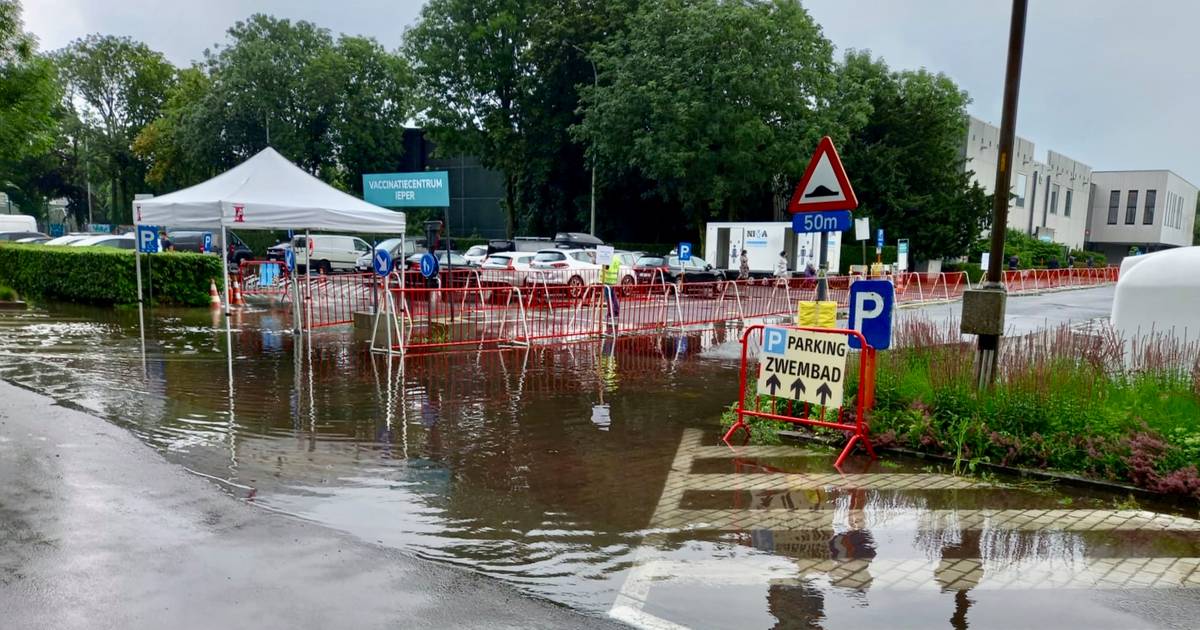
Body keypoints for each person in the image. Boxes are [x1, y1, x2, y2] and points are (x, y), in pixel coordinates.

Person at [602, 255, 621, 322]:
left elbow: (606, 268)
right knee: (613, 298)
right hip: (613, 280)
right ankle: (616, 312)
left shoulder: (607, 257)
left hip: (607, 280)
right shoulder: (616, 257)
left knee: (609, 299)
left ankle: (610, 314)